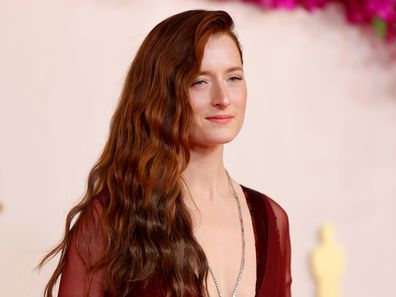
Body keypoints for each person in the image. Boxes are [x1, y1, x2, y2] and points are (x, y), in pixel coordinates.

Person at [39, 9, 292, 297]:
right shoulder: (111, 220)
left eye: (233, 78)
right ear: (161, 94)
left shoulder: (271, 220)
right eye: (200, 81)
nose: (222, 99)